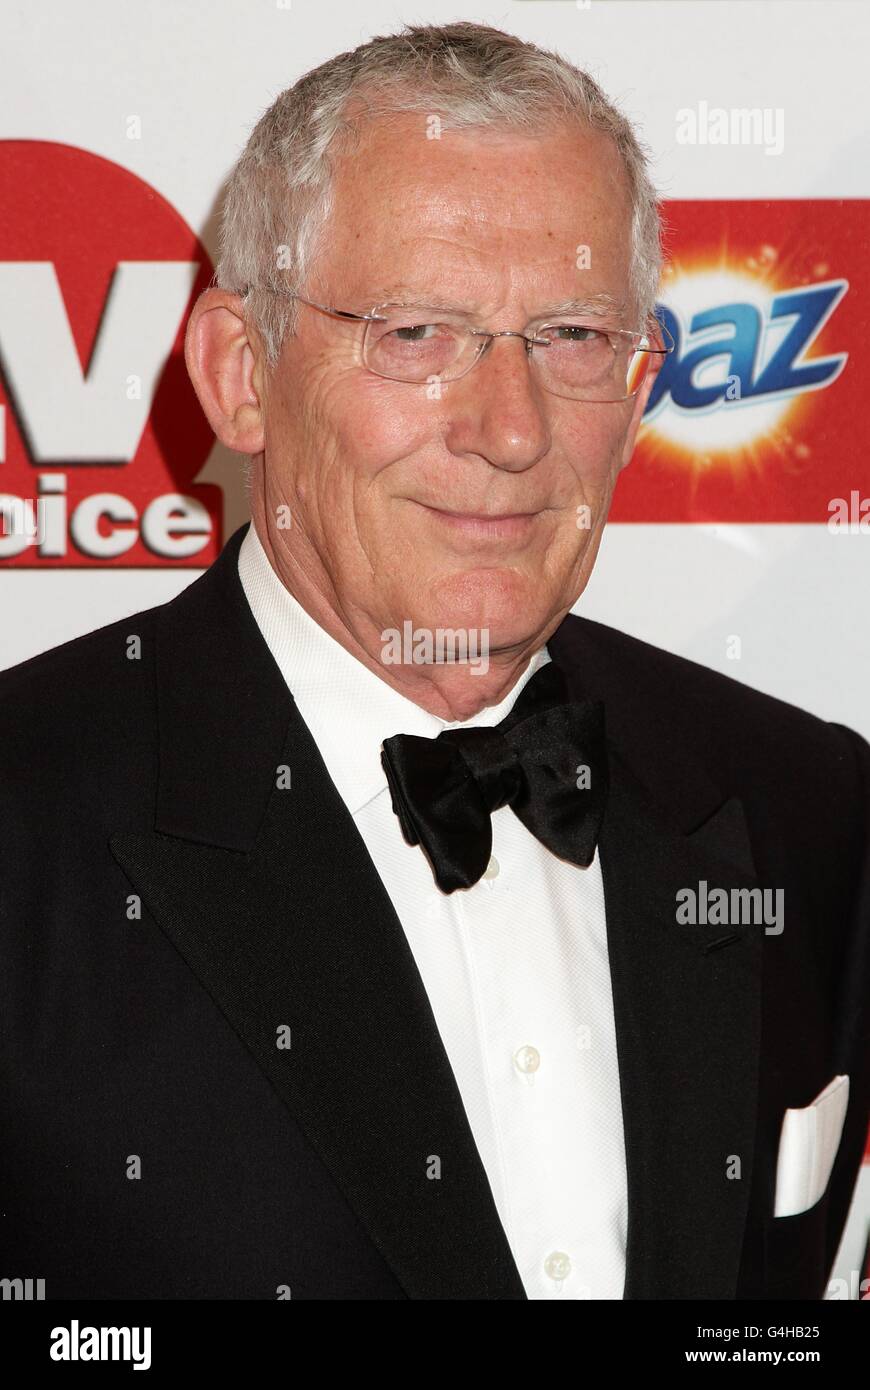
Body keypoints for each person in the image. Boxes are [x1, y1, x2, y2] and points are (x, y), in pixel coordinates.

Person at [1, 20, 867, 1301]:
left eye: (573, 336)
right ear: (242, 376)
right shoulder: (26, 824)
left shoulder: (808, 805)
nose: (510, 430)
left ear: (639, 389)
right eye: (416, 333)